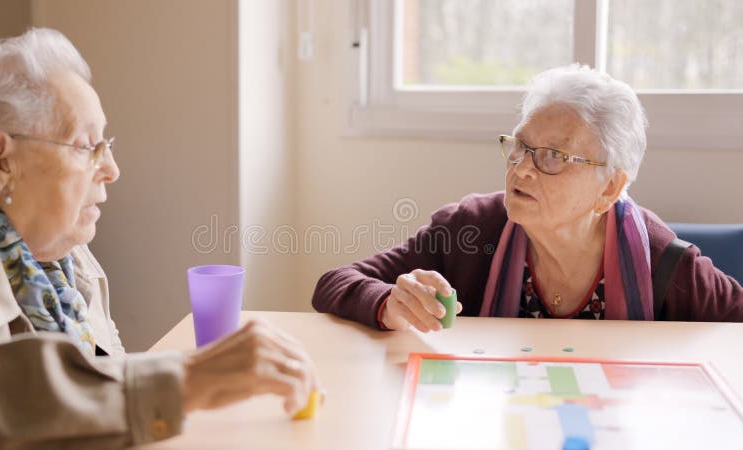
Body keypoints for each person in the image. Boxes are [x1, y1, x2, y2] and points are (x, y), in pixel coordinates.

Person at [0, 28, 319, 449]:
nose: (112, 169)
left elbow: (106, 368)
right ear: (0, 160)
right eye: (87, 146)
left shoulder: (60, 257)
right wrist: (187, 378)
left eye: (107, 143)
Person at [313, 65, 743, 331]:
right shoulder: (470, 229)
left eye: (552, 156)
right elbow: (333, 283)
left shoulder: (665, 262)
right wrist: (389, 303)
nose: (520, 169)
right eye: (520, 146)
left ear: (609, 188)